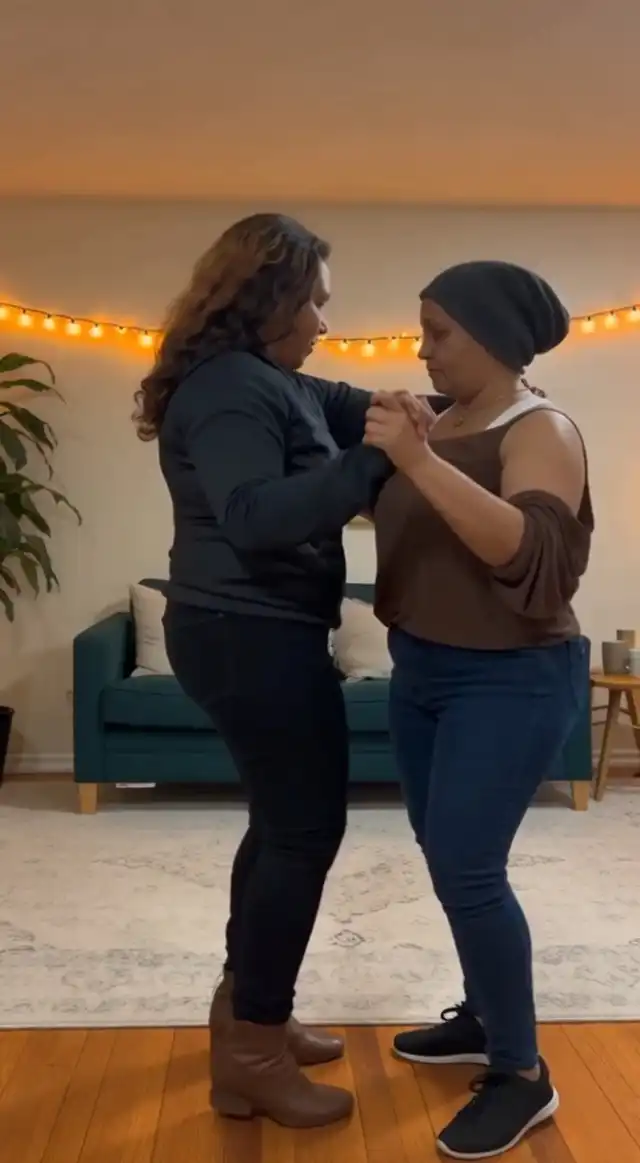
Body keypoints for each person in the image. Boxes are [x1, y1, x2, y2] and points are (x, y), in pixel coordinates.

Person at [132, 212, 429, 1129]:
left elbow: (370, 408)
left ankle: (250, 1018)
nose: (325, 323)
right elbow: (256, 516)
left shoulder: (281, 381)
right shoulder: (230, 388)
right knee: (303, 831)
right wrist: (375, 461)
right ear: (269, 298)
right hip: (244, 631)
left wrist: (466, 402)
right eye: (315, 303)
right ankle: (253, 1051)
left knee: (280, 827)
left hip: (256, 628)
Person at [364, 261, 593, 1160]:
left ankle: (522, 1072)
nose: (424, 349)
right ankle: (484, 1012)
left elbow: (528, 552)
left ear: (494, 335)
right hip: (421, 666)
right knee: (445, 854)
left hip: (511, 676)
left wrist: (416, 460)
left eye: (440, 332)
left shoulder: (541, 428)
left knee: (468, 865)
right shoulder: (441, 421)